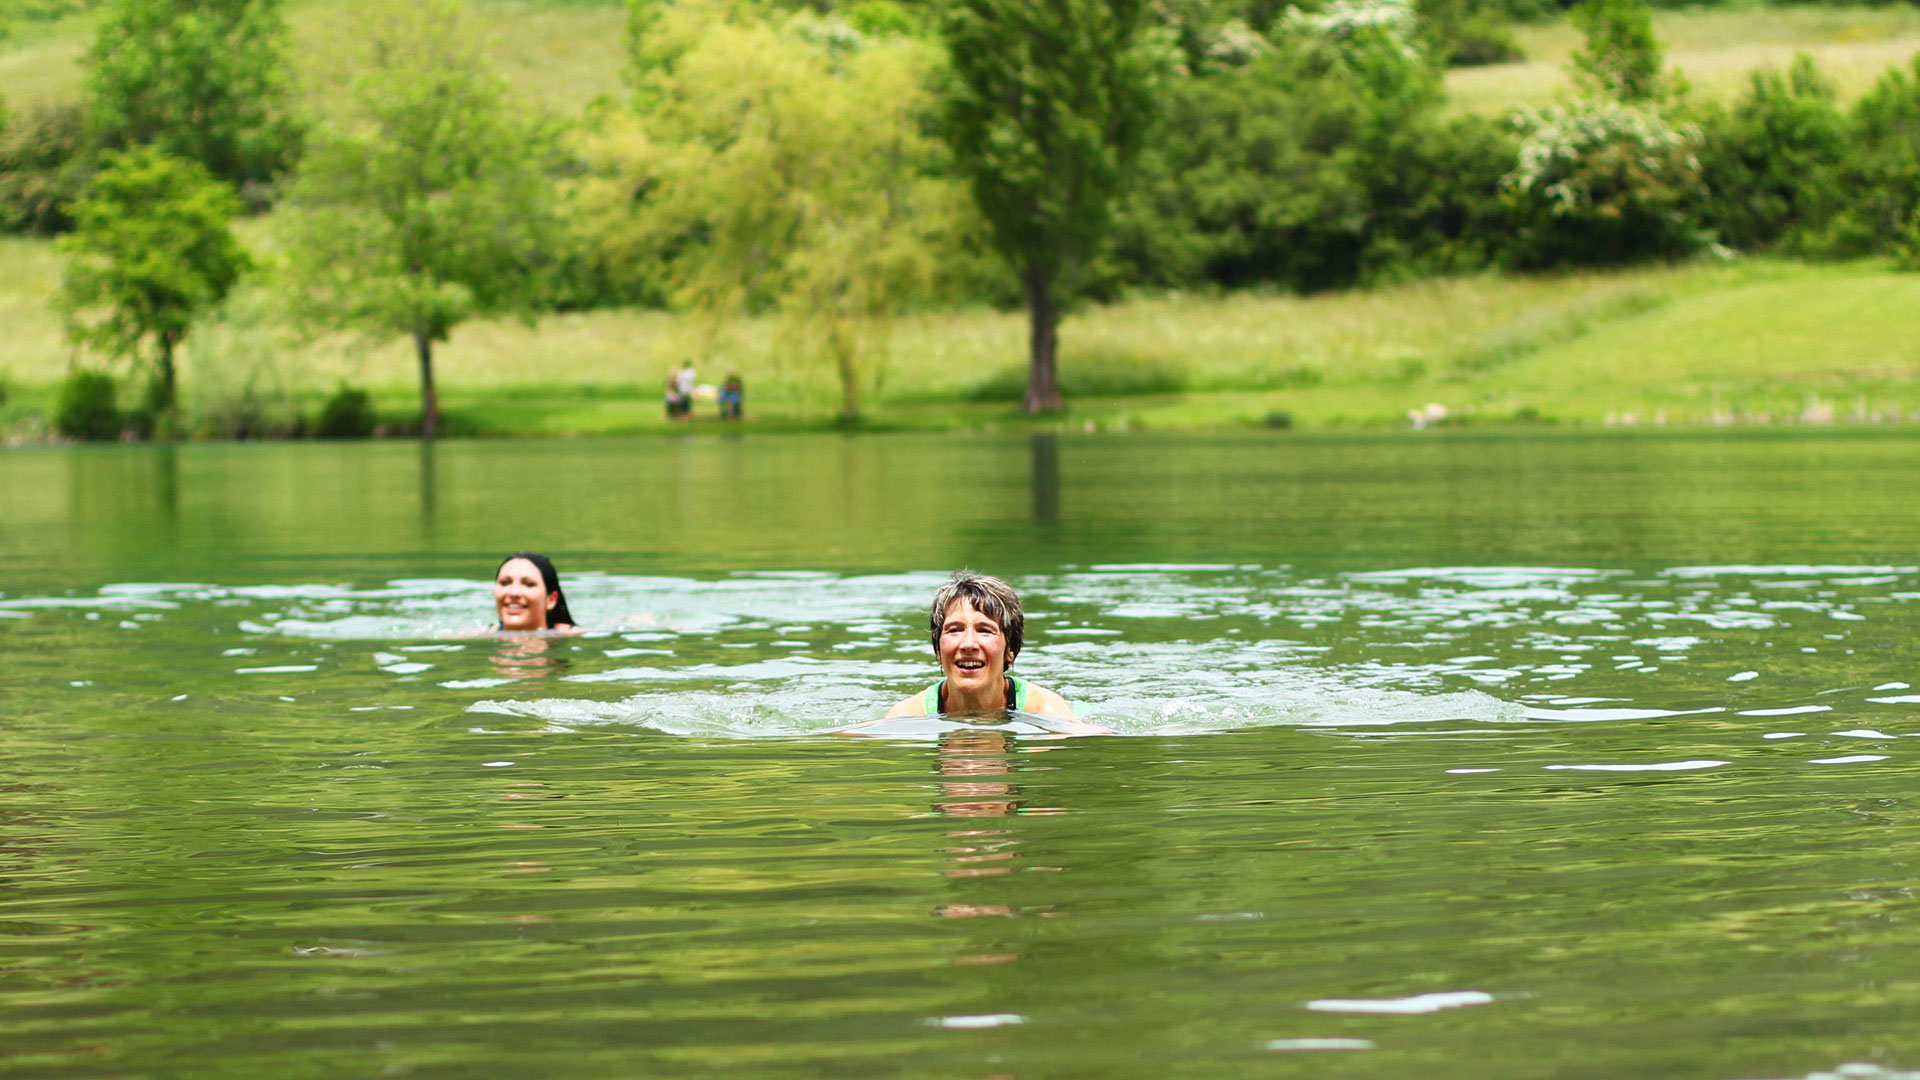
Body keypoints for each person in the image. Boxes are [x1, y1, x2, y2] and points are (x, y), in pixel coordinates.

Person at [883, 571, 1099, 729]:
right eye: (954, 630)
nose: (968, 644)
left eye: (985, 630)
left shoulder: (1045, 711)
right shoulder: (908, 716)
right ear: (938, 651)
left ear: (1010, 651)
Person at [493, 552, 577, 632]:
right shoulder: (481, 635)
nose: (514, 592)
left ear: (551, 600)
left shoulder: (575, 636)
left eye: (529, 584)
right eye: (505, 583)